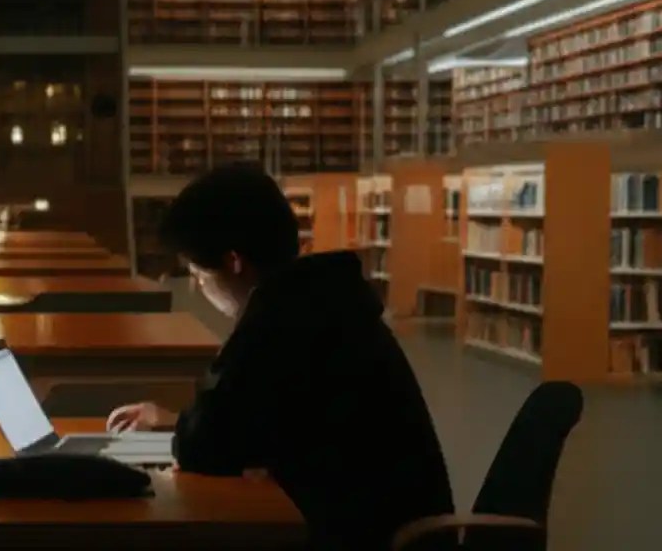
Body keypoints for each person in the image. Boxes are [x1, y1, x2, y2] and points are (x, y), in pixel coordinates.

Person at [107, 164, 452, 550]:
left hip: (365, 538)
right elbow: (249, 423)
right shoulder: (322, 296)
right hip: (381, 524)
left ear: (234, 262)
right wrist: (175, 423)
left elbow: (206, 444)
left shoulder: (281, 319)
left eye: (200, 276)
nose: (200, 287)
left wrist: (182, 429)